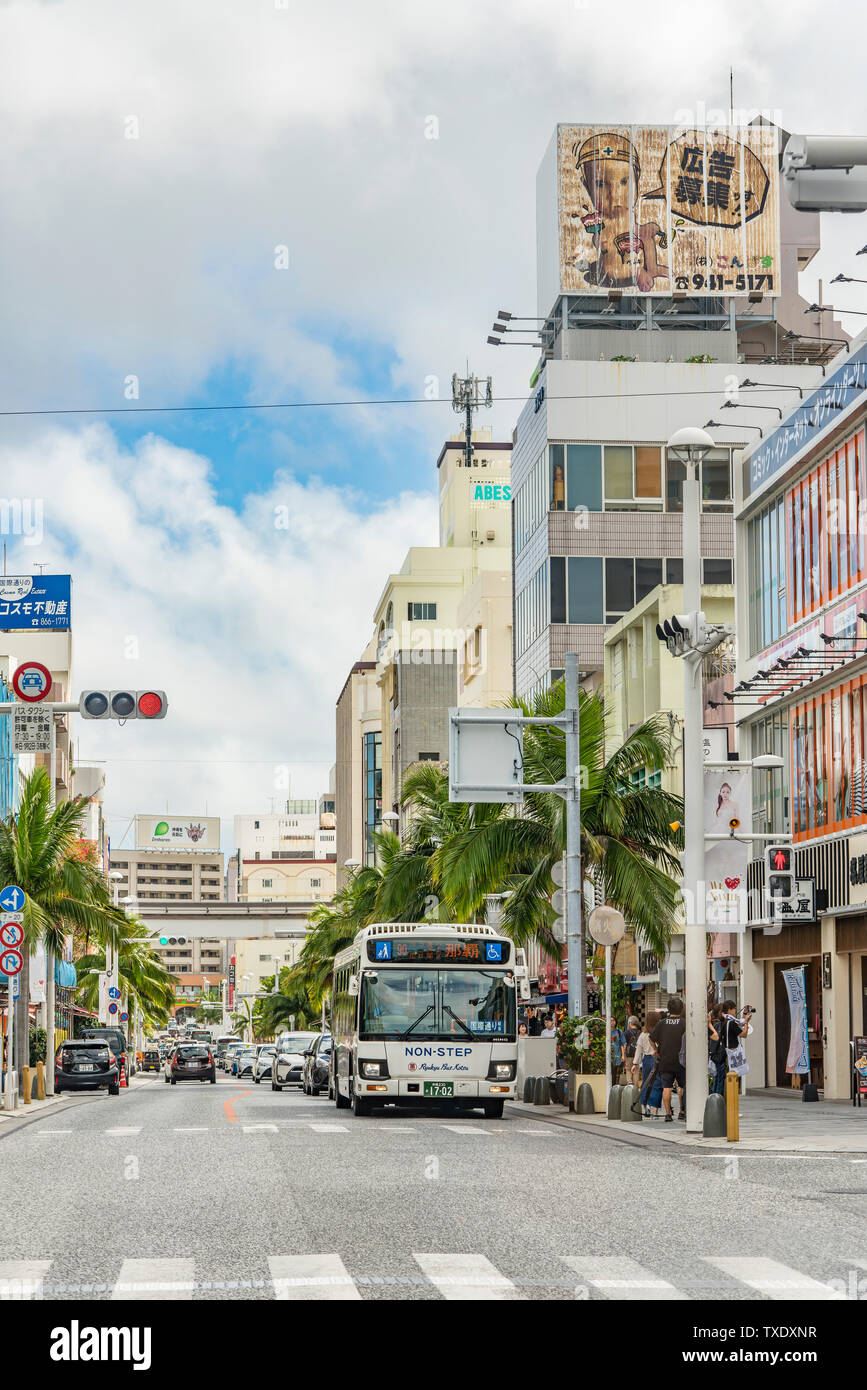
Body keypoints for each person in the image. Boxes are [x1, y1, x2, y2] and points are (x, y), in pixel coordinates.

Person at [650, 997, 686, 1122]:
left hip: (665, 1059)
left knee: (667, 1087)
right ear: (681, 1009)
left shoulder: (662, 1023)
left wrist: (655, 1050)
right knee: (682, 1086)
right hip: (681, 1060)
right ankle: (682, 1111)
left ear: (669, 1009)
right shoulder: (684, 1023)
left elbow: (651, 1038)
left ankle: (667, 1114)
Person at [633, 1011, 661, 1117]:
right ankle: (654, 1109)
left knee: (646, 1082)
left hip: (647, 1060)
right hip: (657, 1059)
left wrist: (635, 1063)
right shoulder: (659, 1033)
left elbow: (638, 1050)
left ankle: (645, 1104)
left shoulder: (643, 1035)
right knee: (657, 1084)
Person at [708, 1004, 727, 1095]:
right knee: (720, 1078)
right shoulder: (719, 1025)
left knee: (717, 1077)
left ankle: (714, 1097)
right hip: (719, 1055)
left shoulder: (715, 1025)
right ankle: (718, 1098)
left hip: (715, 1055)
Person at [624, 1014, 641, 1088]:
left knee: (628, 1069)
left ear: (630, 1023)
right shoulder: (640, 1032)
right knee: (636, 1071)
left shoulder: (627, 1032)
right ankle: (636, 1088)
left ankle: (629, 1085)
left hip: (629, 1054)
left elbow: (624, 1045)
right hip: (638, 1054)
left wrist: (623, 1055)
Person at [610, 1016, 626, 1084]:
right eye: (610, 1020)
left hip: (617, 1055)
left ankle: (614, 1087)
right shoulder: (605, 1031)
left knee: (616, 1074)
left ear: (615, 1022)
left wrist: (623, 1055)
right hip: (608, 1056)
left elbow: (623, 1044)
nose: (612, 1022)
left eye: (613, 1020)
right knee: (610, 1073)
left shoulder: (619, 1032)